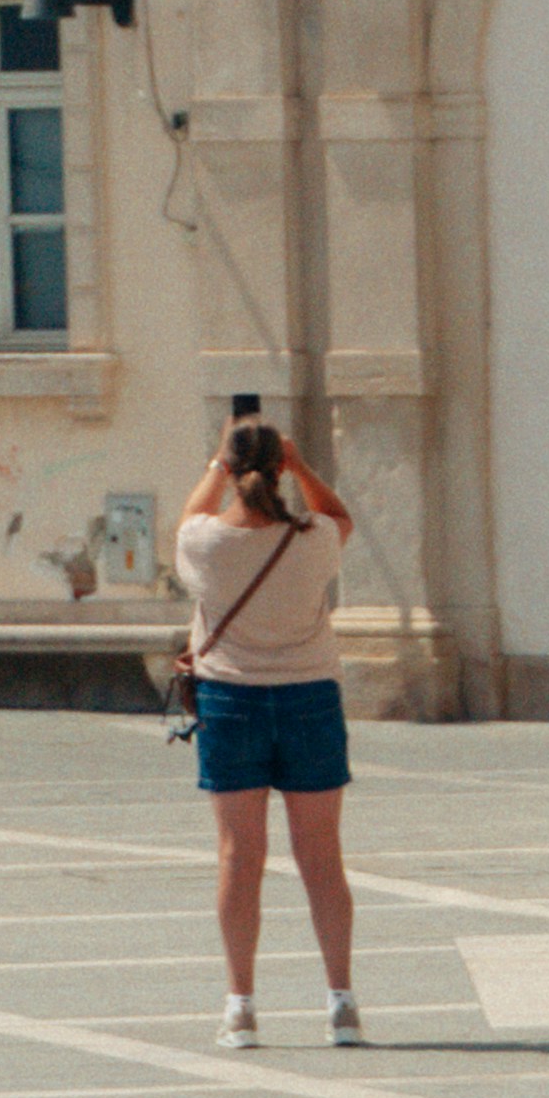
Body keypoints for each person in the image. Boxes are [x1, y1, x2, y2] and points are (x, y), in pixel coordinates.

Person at [177, 415, 360, 1054]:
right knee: (321, 858)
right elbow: (341, 516)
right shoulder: (312, 540)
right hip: (310, 697)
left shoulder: (204, 543)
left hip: (231, 703)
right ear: (280, 469)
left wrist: (214, 465)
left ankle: (240, 1007)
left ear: (230, 468)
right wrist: (301, 464)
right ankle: (341, 1003)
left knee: (238, 856)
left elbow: (189, 517)